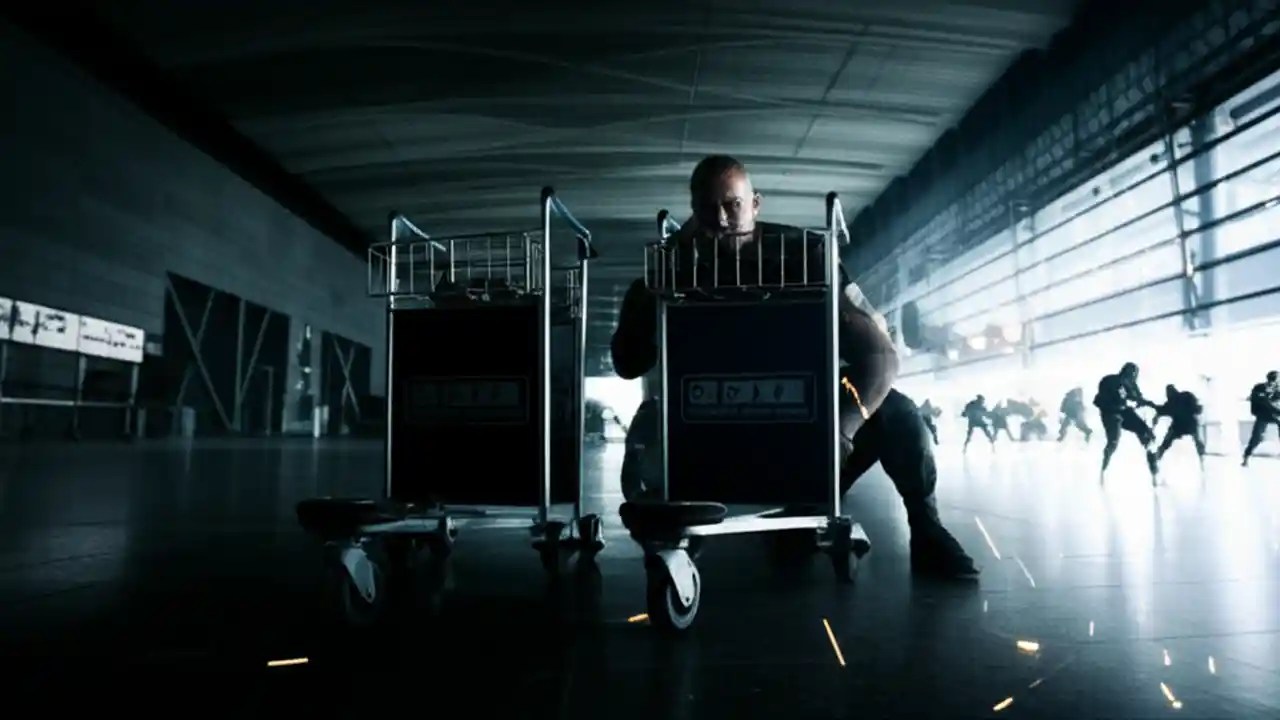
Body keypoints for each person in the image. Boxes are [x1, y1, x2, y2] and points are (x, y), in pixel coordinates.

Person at [611, 155, 978, 580]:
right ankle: (671, 526)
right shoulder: (672, 265)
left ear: (755, 204)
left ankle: (926, 529)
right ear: (693, 212)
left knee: (898, 412)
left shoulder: (806, 254)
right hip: (709, 424)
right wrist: (652, 289)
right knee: (647, 425)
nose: (722, 220)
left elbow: (879, 356)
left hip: (807, 424)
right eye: (708, 209)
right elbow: (627, 364)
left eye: (732, 205)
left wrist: (842, 429)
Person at [1094, 362, 1159, 485]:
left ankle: (1154, 472)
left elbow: (1137, 398)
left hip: (1123, 411)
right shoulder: (1110, 380)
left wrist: (1149, 404)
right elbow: (1102, 398)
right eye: (1131, 376)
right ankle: (1103, 470)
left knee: (1147, 434)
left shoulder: (1131, 384)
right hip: (1110, 412)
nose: (1132, 379)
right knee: (1113, 440)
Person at [1154, 384, 1205, 468]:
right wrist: (1198, 408)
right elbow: (1196, 407)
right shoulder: (1185, 395)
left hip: (1179, 426)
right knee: (1195, 437)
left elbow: (1161, 410)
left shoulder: (1172, 402)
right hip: (1189, 423)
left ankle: (1159, 454)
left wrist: (1155, 411)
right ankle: (1201, 452)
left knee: (1168, 439)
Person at [1242, 371, 1280, 467]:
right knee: (1256, 437)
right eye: (1272, 380)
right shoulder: (1259, 388)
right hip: (1263, 415)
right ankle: (1246, 456)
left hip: (1276, 414)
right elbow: (1258, 401)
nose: (1273, 383)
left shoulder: (1277, 389)